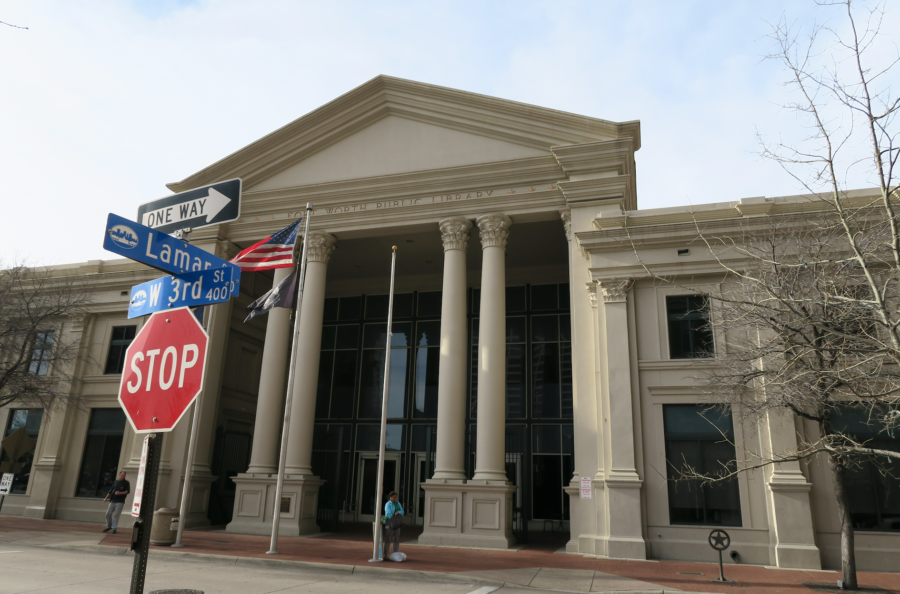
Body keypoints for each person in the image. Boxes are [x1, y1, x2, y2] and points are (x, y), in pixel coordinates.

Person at [382, 491, 404, 560]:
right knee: (388, 539)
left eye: (396, 497)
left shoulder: (398, 503)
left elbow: (402, 511)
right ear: (390, 497)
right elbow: (388, 514)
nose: (395, 499)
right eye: (394, 497)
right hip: (390, 523)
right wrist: (394, 511)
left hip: (397, 523)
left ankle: (395, 554)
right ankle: (386, 554)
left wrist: (398, 512)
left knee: (396, 539)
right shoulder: (388, 504)